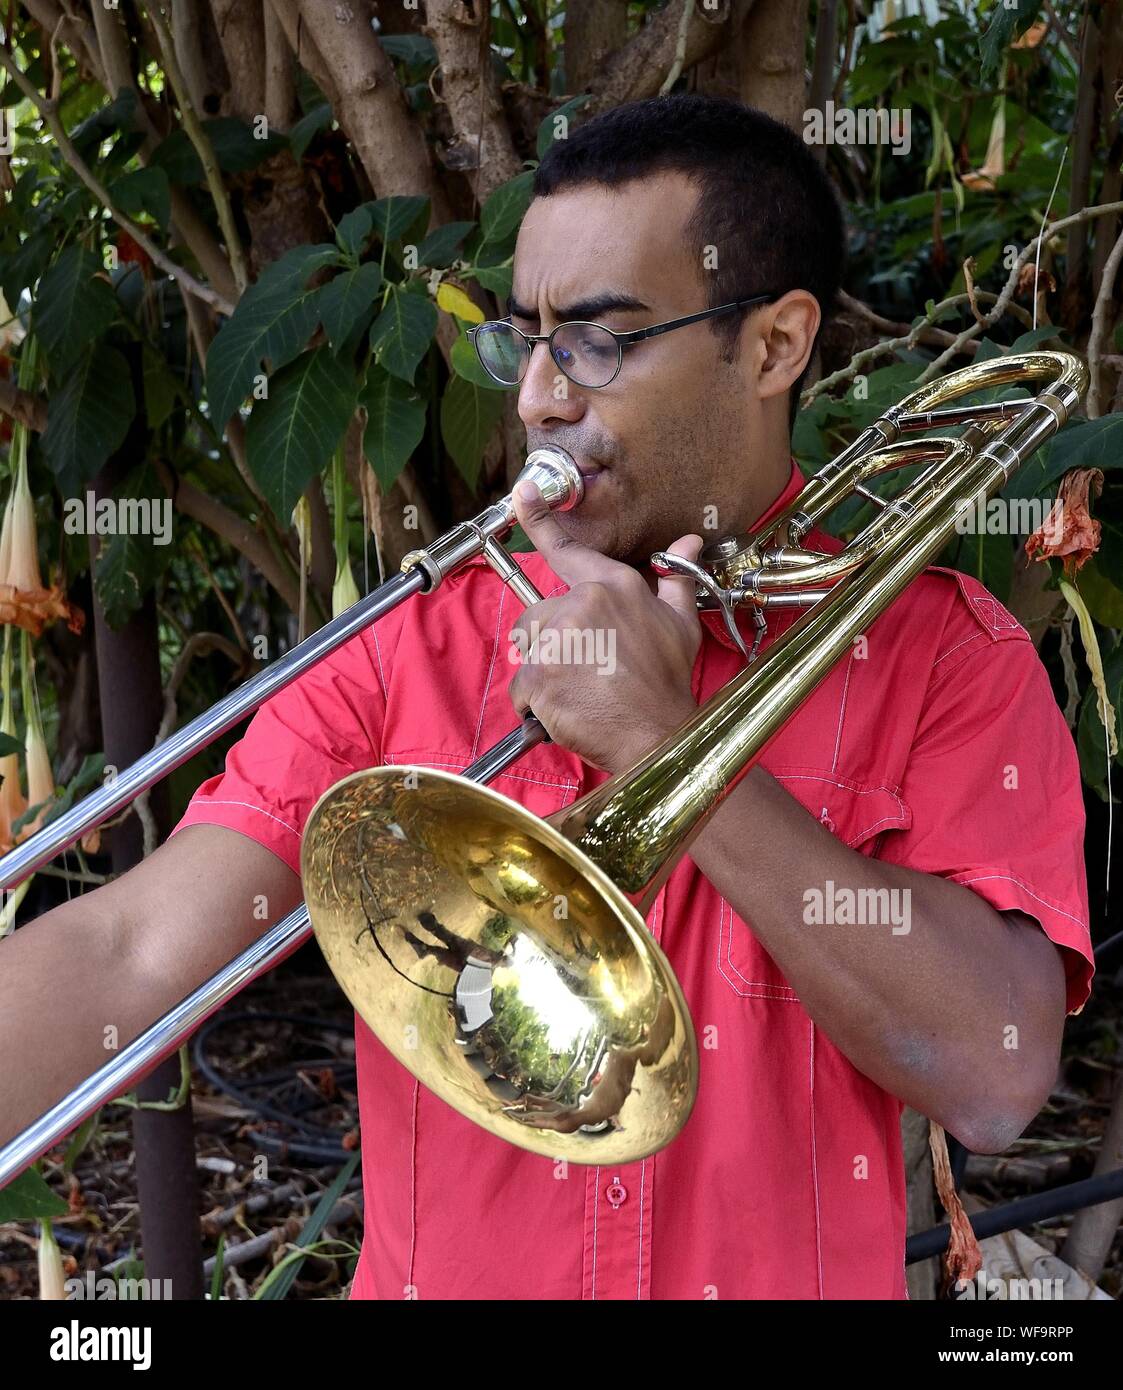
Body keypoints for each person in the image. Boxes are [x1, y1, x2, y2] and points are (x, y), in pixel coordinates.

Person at [0, 92, 1092, 1300]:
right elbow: (128, 946)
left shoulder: (943, 656)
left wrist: (669, 744)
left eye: (598, 341)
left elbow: (995, 1075)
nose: (535, 399)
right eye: (523, 338)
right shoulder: (408, 647)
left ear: (774, 347)